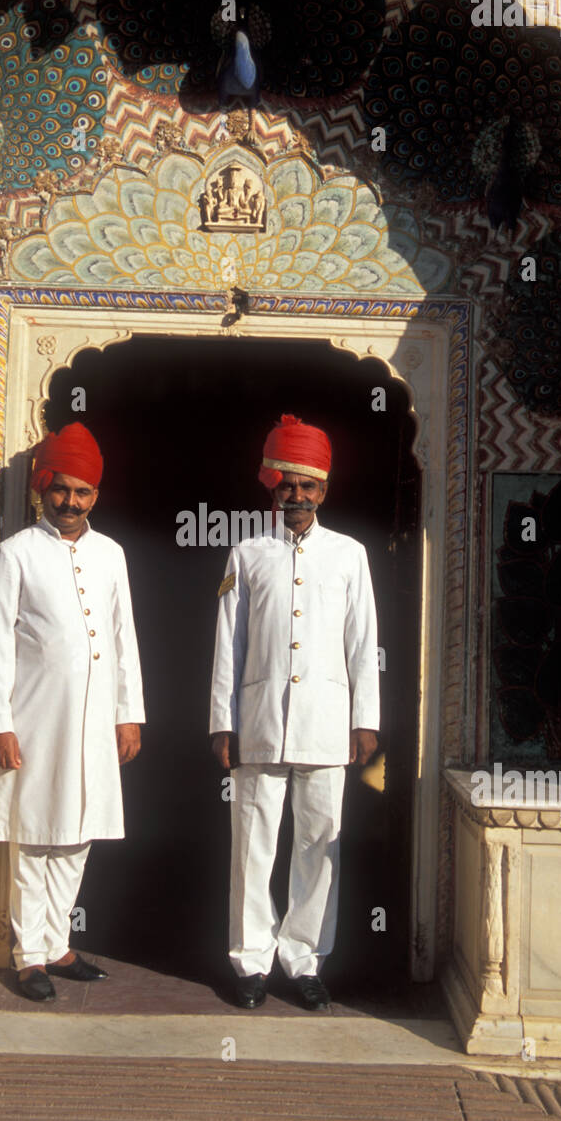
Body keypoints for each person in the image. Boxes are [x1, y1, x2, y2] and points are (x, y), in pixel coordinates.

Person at [209, 414, 380, 1011]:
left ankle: (305, 960)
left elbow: (363, 643)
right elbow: (228, 642)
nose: (297, 496)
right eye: (287, 484)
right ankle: (251, 962)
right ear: (271, 487)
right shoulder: (247, 553)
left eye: (308, 486)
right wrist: (221, 722)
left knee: (318, 847)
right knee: (253, 845)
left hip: (328, 724)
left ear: (324, 490)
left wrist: (366, 720)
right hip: (257, 722)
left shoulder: (349, 556)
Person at [0, 422, 144, 1001]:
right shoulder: (15, 554)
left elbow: (124, 639)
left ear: (96, 495)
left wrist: (130, 714)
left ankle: (57, 945)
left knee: (79, 833)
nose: (70, 502)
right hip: (33, 720)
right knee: (34, 834)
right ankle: (29, 956)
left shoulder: (111, 554)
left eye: (82, 492)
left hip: (96, 719)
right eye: (60, 489)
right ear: (40, 489)